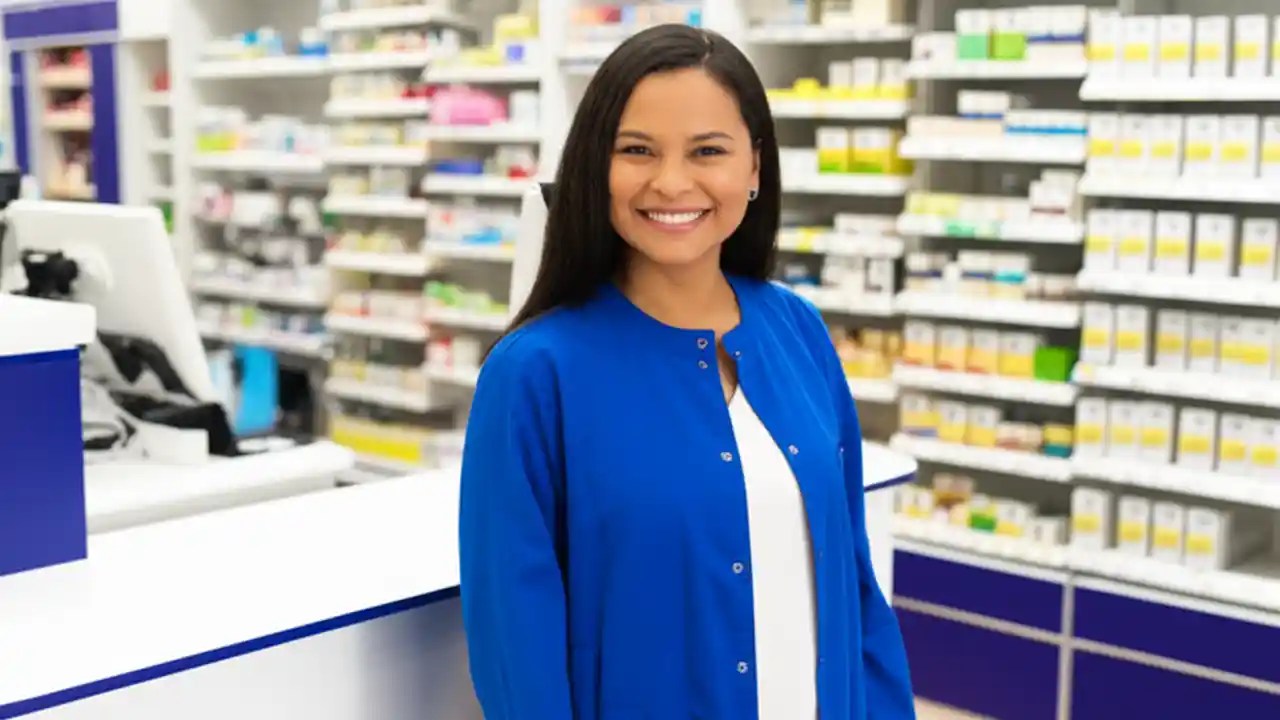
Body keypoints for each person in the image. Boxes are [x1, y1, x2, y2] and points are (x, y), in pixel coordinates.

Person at [458, 23, 915, 720]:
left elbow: (853, 583)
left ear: (755, 168)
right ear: (593, 167)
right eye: (636, 150)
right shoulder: (534, 375)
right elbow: (515, 647)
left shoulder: (797, 331)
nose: (671, 182)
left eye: (708, 151)